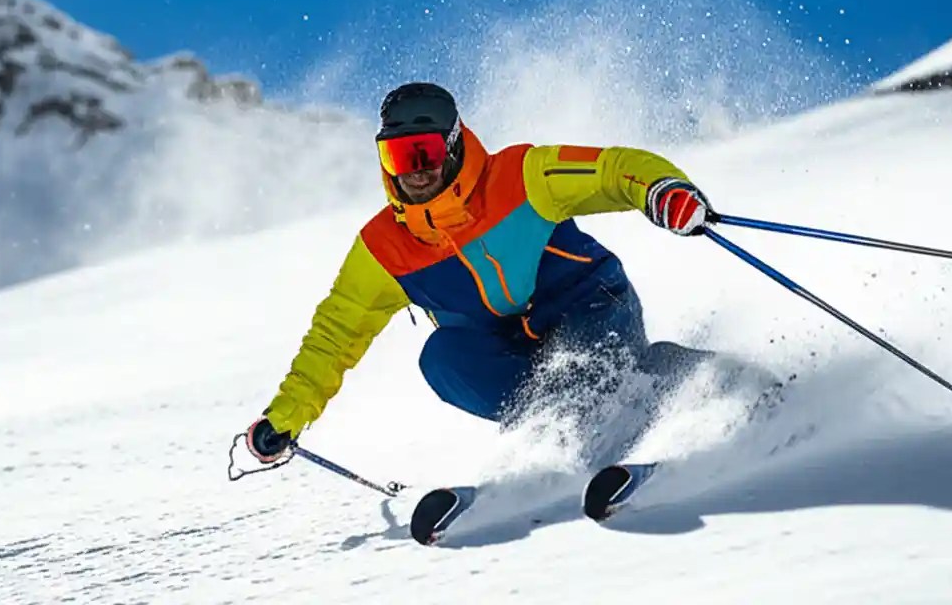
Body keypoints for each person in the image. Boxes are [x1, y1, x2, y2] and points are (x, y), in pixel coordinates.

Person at [245, 82, 714, 464]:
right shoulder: (384, 247)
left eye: (423, 153)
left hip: (590, 306)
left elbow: (613, 169)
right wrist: (286, 417)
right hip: (513, 354)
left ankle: (684, 384)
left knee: (590, 377)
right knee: (443, 359)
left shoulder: (520, 176)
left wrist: (663, 190)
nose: (414, 172)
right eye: (397, 157)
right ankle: (560, 437)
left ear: (451, 145)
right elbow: (336, 334)